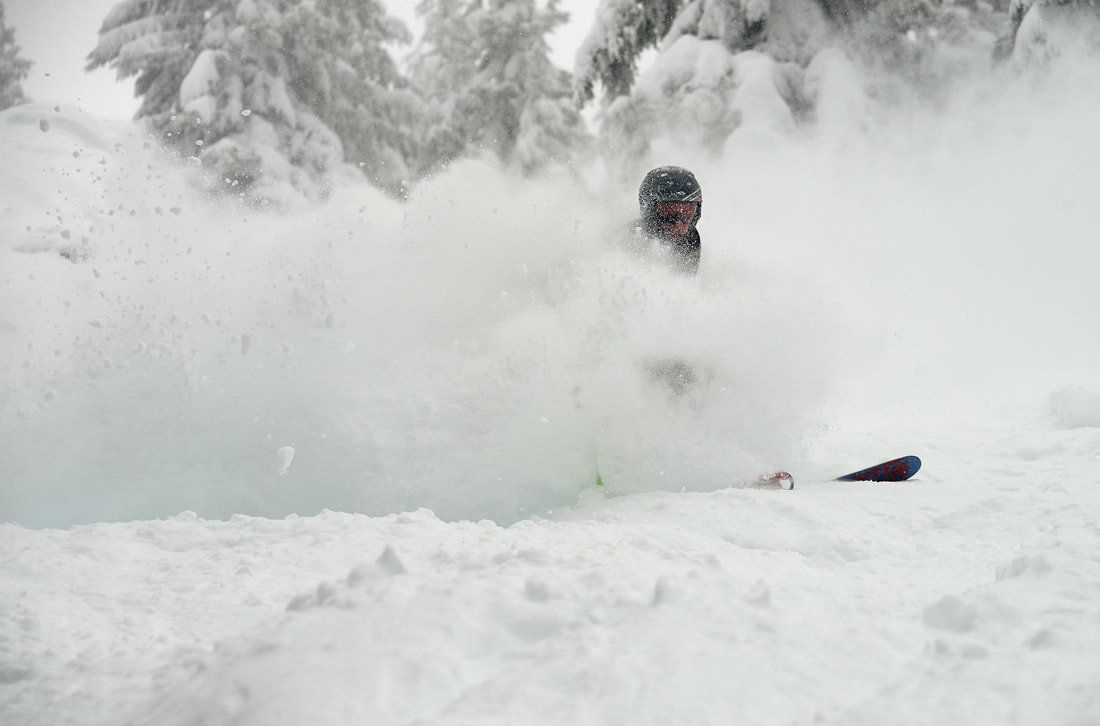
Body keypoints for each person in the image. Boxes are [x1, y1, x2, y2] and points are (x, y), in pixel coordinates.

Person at [624, 166, 703, 276]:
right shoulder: (627, 240)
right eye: (670, 214)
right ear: (649, 210)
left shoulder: (691, 239)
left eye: (687, 213)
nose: (679, 224)